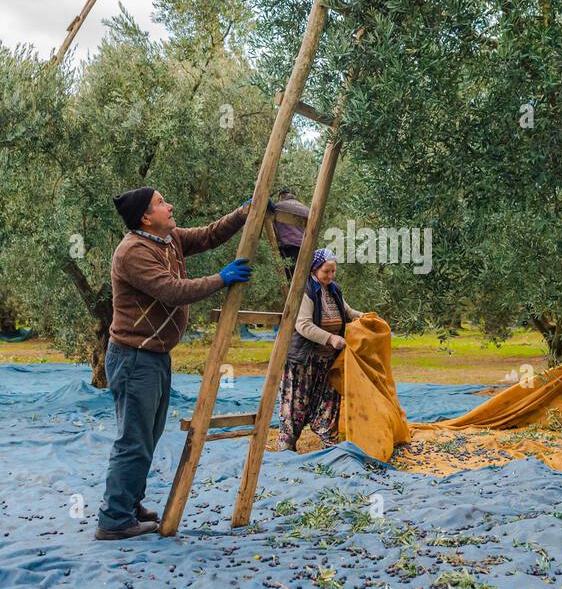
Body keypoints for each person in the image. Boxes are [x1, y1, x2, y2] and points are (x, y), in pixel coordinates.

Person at [96, 187, 255, 541]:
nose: (170, 205)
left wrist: (243, 213)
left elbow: (209, 235)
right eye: (160, 203)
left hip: (153, 356)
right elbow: (172, 290)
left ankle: (129, 503)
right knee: (133, 438)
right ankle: (113, 519)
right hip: (134, 357)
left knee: (147, 436)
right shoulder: (133, 252)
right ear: (144, 217)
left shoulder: (168, 240)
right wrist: (220, 279)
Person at [277, 248, 363, 452]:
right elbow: (303, 325)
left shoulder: (334, 289)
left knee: (329, 401)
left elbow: (348, 312)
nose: (330, 276)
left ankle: (329, 441)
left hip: (327, 360)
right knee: (296, 403)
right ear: (315, 269)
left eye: (333, 271)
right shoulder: (305, 290)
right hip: (304, 359)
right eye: (327, 271)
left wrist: (366, 317)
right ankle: (287, 446)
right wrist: (330, 338)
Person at [271, 187, 310, 280]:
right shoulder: (307, 210)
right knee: (303, 277)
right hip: (305, 246)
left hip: (287, 247)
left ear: (282, 196)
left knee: (289, 277)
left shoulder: (277, 207)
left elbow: (272, 226)